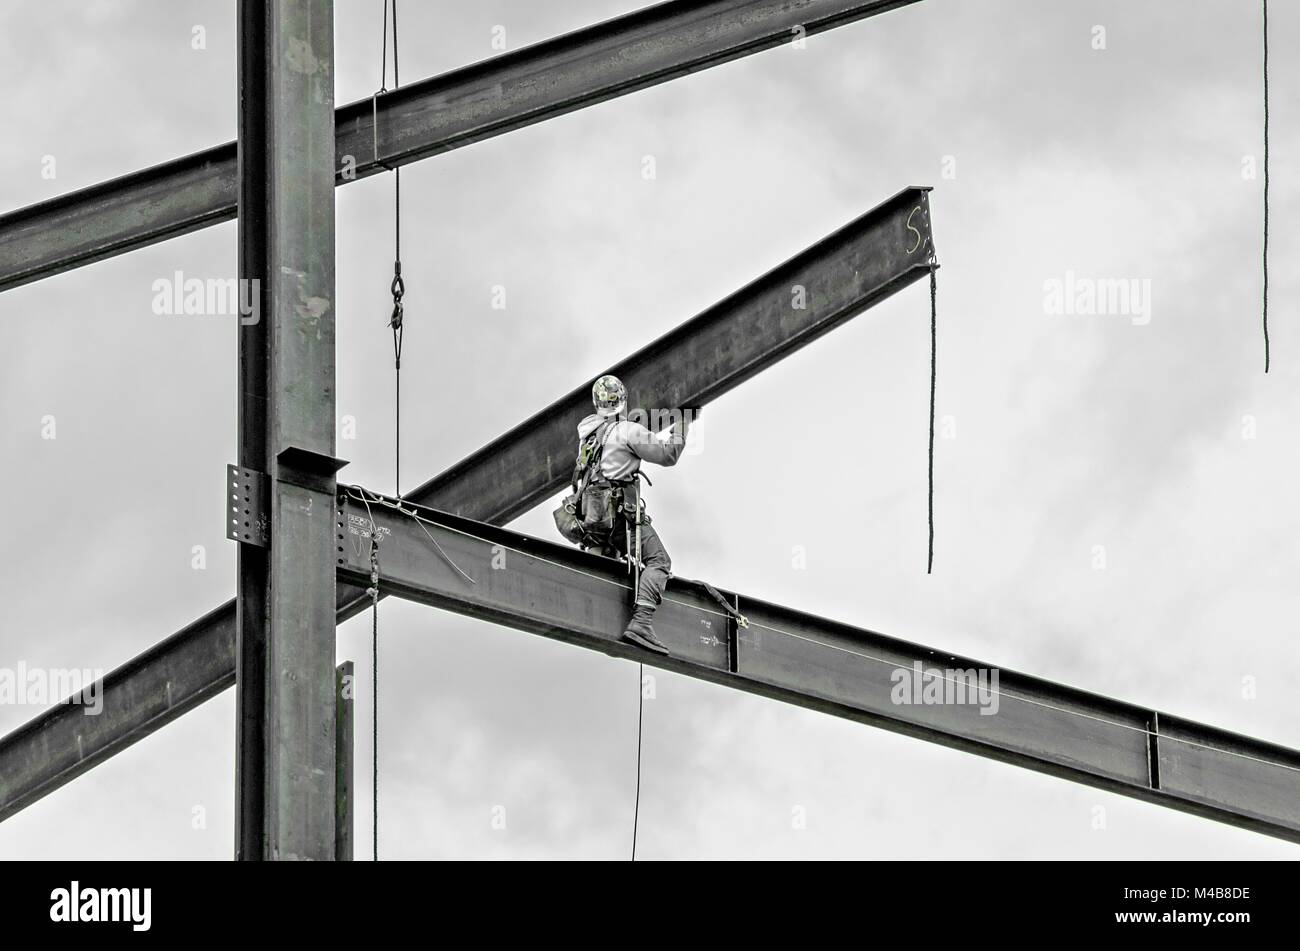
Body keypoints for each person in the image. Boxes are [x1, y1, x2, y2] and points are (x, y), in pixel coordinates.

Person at [574, 374, 694, 655]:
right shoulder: (627, 430)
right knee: (660, 561)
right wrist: (685, 422)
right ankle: (641, 622)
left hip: (594, 522)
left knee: (607, 571)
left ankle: (597, 616)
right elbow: (668, 454)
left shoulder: (588, 435)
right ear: (624, 401)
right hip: (619, 521)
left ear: (596, 403)